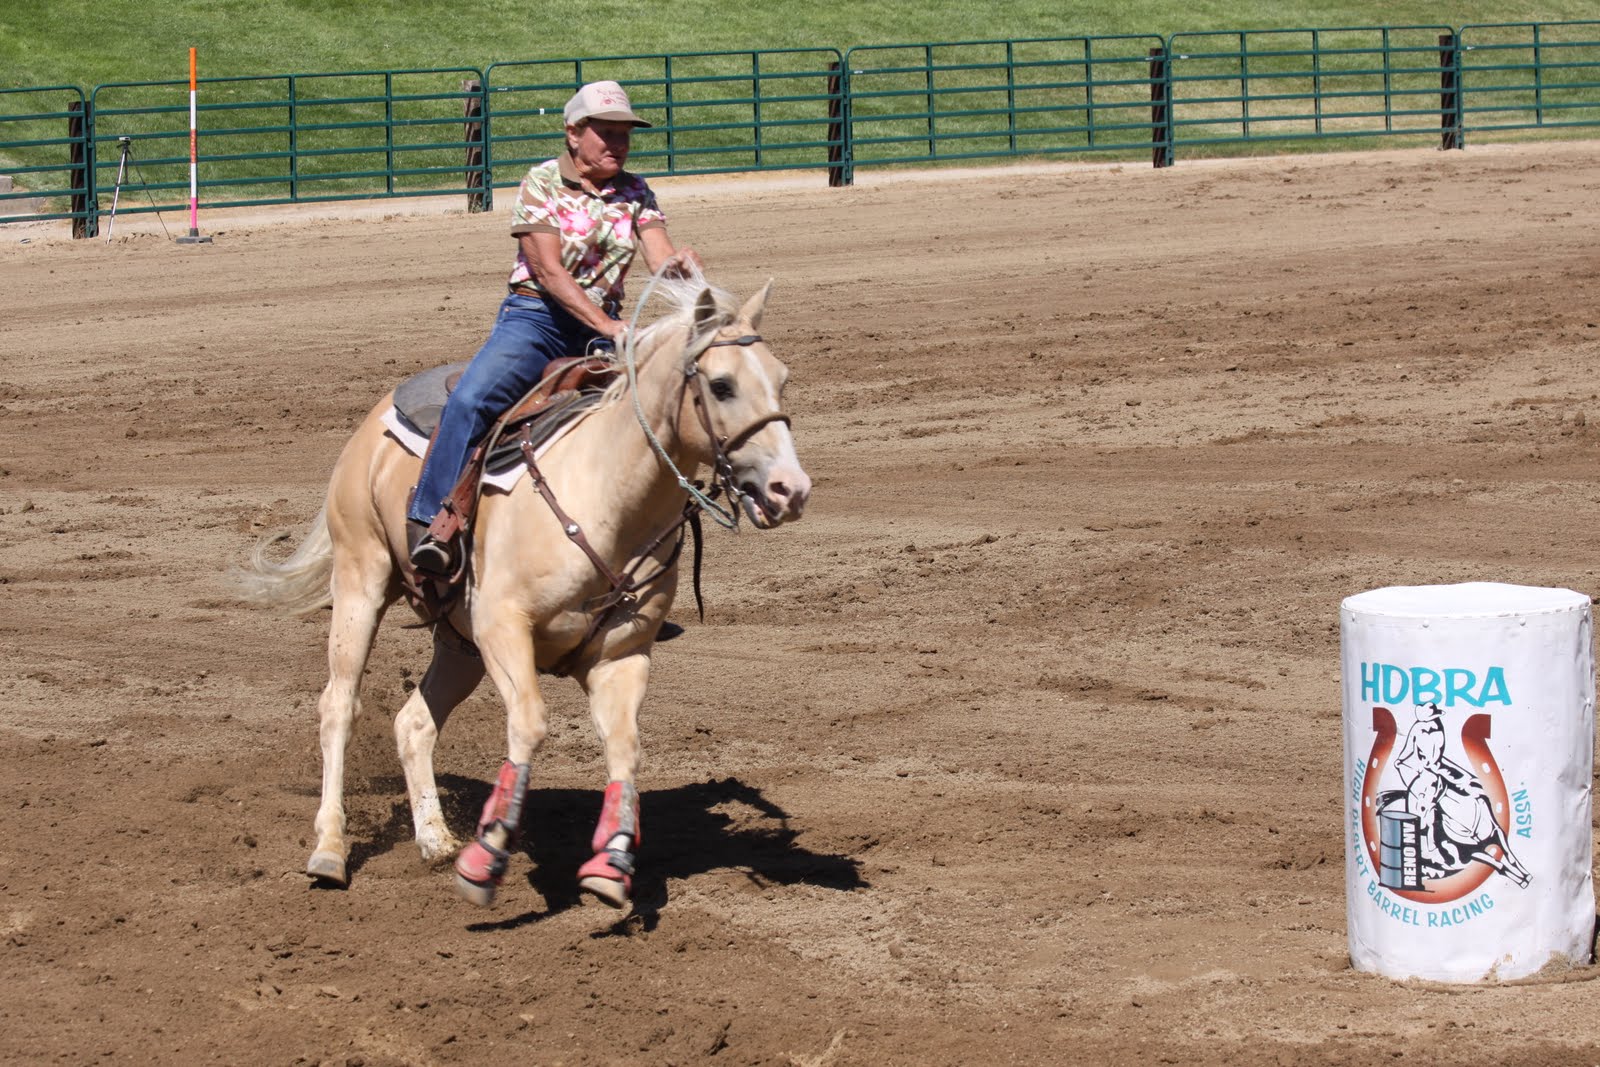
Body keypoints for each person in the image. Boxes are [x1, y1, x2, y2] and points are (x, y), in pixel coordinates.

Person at [407, 80, 703, 575]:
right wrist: (608, 326)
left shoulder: (635, 191)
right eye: (606, 132)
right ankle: (431, 523)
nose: (618, 143)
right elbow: (547, 272)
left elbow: (658, 255)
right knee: (472, 400)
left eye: (625, 134)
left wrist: (679, 265)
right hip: (536, 320)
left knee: (647, 419)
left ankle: (630, 548)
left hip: (600, 331)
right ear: (573, 132)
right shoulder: (541, 183)